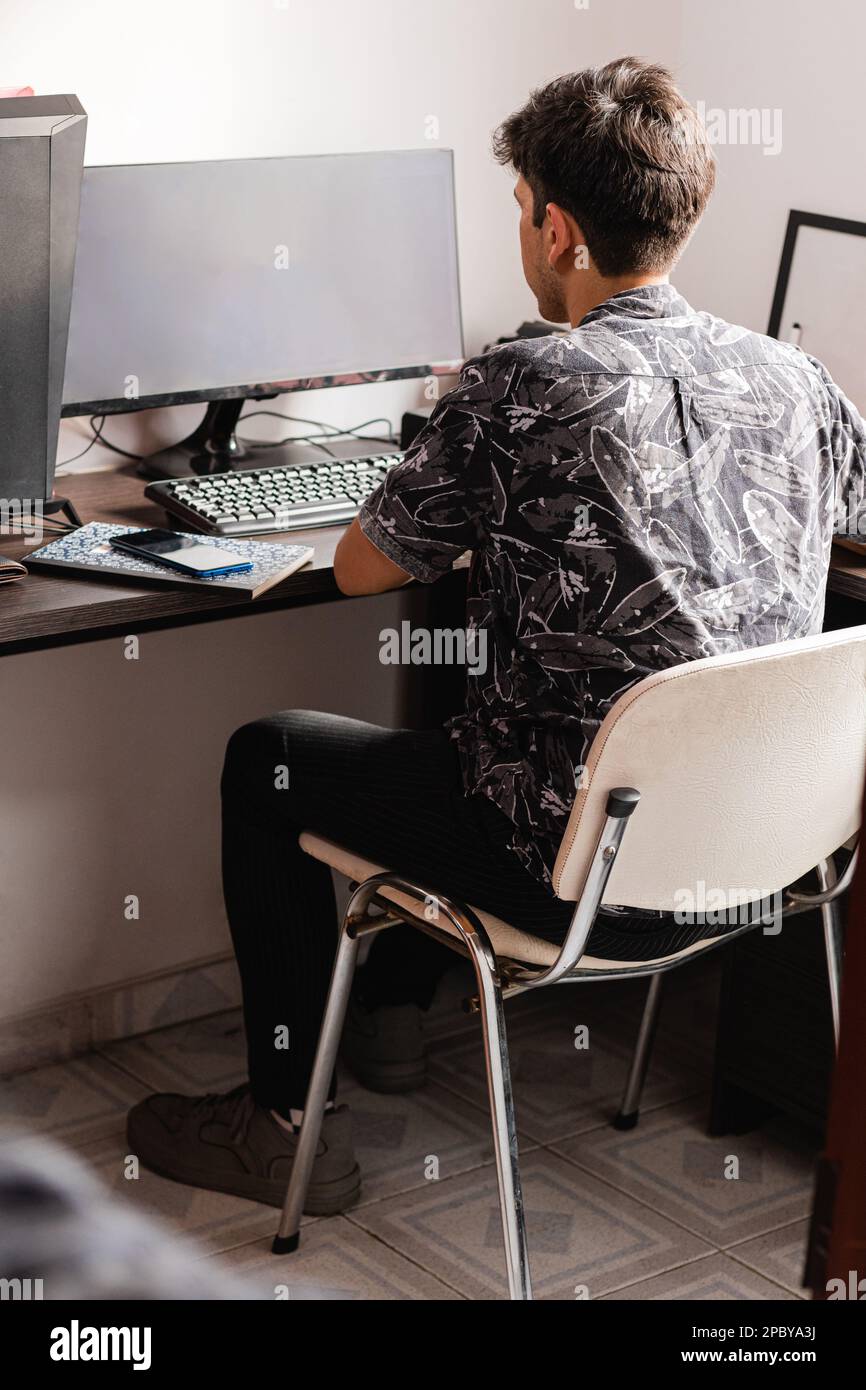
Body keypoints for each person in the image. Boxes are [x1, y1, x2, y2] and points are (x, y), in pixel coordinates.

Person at [128, 57, 866, 1213]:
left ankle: (280, 1123)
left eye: (519, 208)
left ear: (556, 229)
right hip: (758, 862)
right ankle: (392, 1020)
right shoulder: (799, 379)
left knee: (269, 753)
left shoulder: (526, 379)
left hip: (572, 867)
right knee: (467, 713)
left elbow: (365, 564)